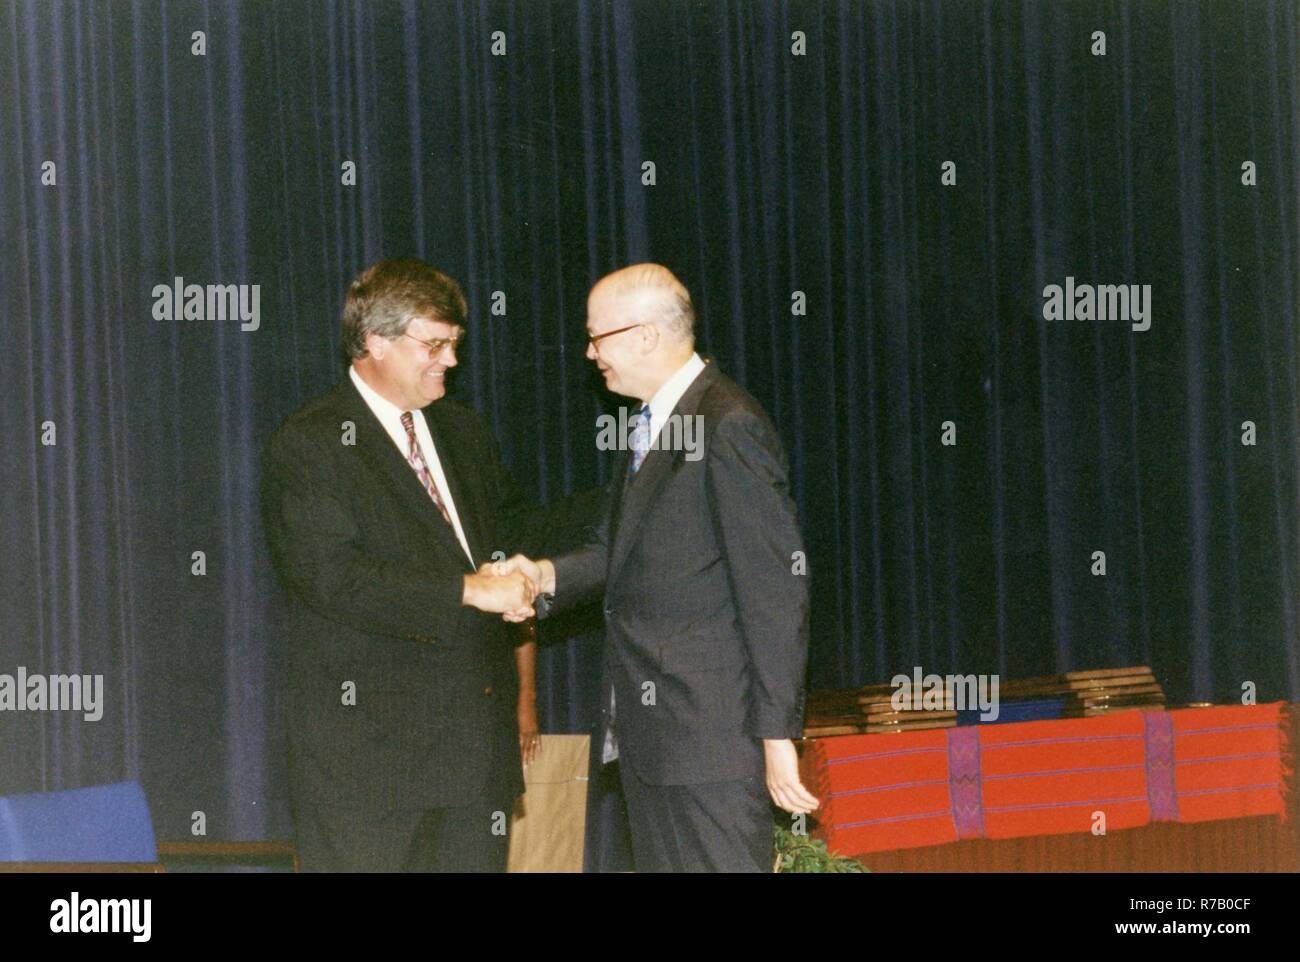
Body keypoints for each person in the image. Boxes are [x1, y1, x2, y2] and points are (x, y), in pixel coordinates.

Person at [498, 264, 819, 872]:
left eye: (598, 337)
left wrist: (778, 739)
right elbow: (612, 554)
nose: (590, 354)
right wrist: (542, 576)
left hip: (713, 746)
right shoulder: (652, 423)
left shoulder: (729, 424)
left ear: (645, 336)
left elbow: (776, 589)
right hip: (656, 743)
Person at [261, 257, 546, 872]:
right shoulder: (310, 443)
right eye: (435, 344)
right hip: (369, 776)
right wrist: (468, 591)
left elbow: (515, 534)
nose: (450, 360)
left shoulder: (465, 433)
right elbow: (332, 578)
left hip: (474, 769)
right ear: (375, 343)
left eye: (455, 344)